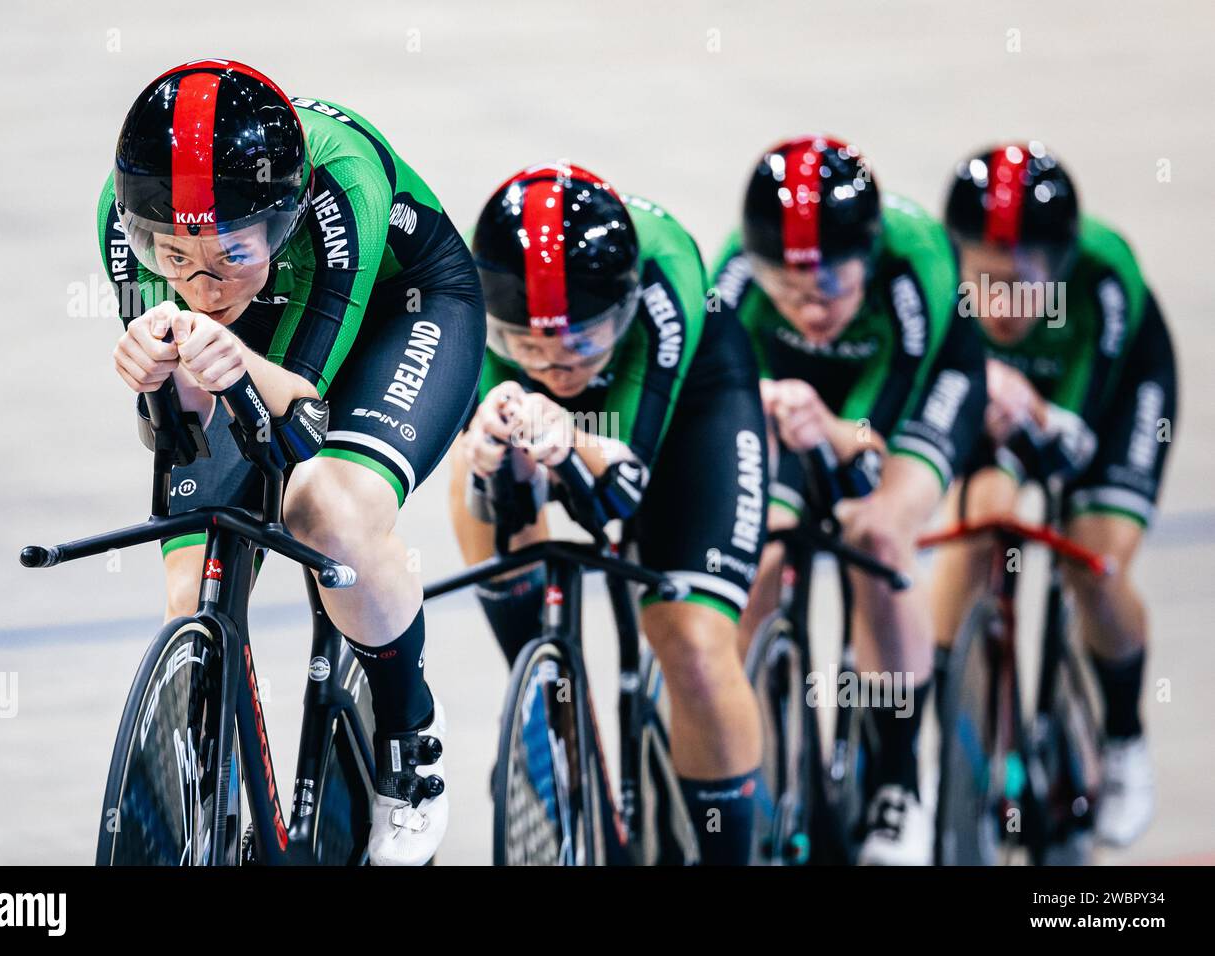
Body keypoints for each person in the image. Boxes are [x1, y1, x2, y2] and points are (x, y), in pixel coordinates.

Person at [98, 59, 486, 865]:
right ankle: (215, 798)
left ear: (282, 216)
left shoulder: (340, 187)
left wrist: (224, 353)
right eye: (172, 255)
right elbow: (178, 431)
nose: (201, 282)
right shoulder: (123, 213)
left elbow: (303, 419)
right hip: (260, 340)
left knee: (326, 511)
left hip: (399, 312)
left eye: (232, 252)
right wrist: (151, 368)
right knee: (187, 590)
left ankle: (410, 742)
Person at [448, 162, 768, 864]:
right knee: (477, 460)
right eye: (527, 346)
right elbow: (491, 488)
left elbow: (621, 498)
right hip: (562, 417)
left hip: (689, 407)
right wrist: (499, 444)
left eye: (579, 340)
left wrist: (577, 442)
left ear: (620, 307)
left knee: (691, 646)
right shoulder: (478, 278)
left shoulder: (665, 267)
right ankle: (548, 699)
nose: (556, 366)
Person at [712, 136, 986, 864]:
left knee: (877, 534)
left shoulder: (915, 263)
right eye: (788, 288)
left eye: (831, 286)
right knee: (757, 549)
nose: (809, 306)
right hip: (791, 401)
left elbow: (877, 446)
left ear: (866, 257)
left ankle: (899, 777)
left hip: (912, 393)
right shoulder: (733, 274)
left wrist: (832, 431)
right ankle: (764, 749)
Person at [931, 141, 1177, 847]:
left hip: (1110, 396)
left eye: (1024, 284)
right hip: (1001, 398)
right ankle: (951, 726)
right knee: (974, 528)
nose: (1003, 304)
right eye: (988, 283)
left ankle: (1125, 735)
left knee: (1091, 561)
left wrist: (1036, 422)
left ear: (1061, 267)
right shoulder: (933, 270)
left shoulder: (1103, 271)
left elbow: (1074, 438)